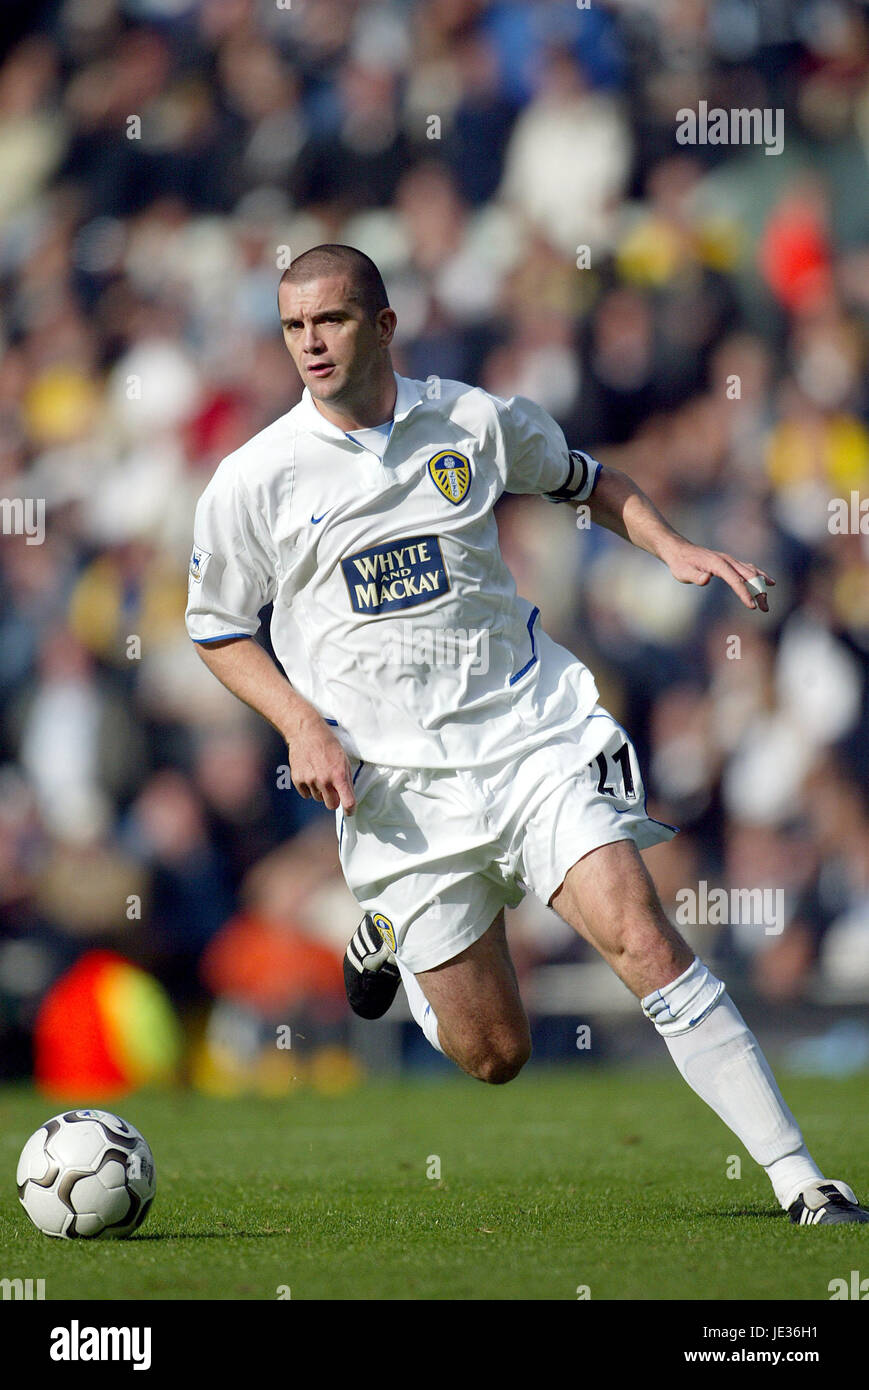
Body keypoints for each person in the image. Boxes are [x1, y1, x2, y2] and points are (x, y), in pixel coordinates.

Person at [186, 244, 866, 1225]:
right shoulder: (254, 479)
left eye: (330, 320)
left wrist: (670, 545)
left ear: (381, 326)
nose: (310, 344)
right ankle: (384, 939)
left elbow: (587, 479)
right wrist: (298, 723)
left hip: (527, 736)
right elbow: (213, 626)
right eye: (293, 327)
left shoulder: (470, 419)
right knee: (494, 1054)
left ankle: (801, 1180)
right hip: (397, 793)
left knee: (639, 935)